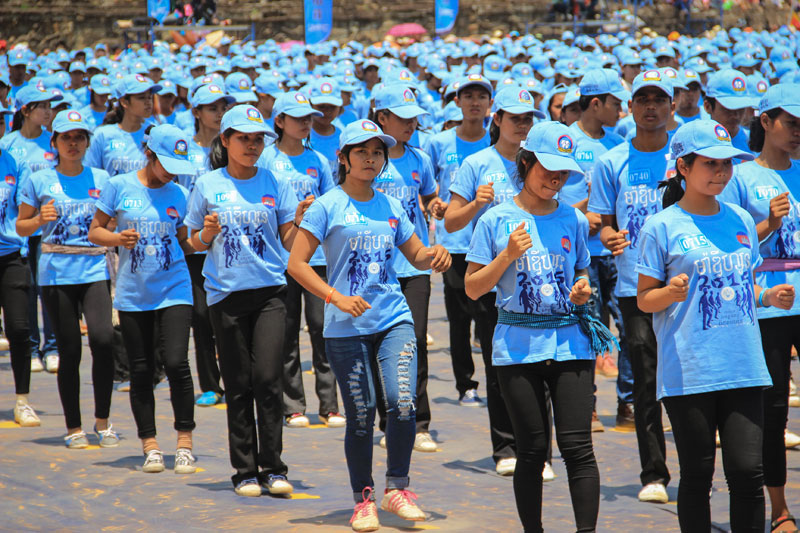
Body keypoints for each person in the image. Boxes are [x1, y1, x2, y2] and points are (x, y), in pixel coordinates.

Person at [288, 119, 451, 532]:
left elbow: (415, 256)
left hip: (393, 319)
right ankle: (364, 497)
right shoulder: (327, 205)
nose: (370, 158)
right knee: (361, 415)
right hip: (345, 327)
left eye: (377, 151)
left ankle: (398, 486)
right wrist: (334, 297)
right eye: (360, 151)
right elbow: (296, 263)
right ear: (342, 158)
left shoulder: (392, 206)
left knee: (401, 402)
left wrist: (437, 254)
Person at [637, 119, 790, 532]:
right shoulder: (661, 226)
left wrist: (767, 296)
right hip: (690, 370)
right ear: (683, 167)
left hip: (743, 366)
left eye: (727, 164)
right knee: (698, 475)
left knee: (746, 473)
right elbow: (643, 298)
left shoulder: (740, 218)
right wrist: (669, 293)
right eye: (711, 163)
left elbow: (746, 282)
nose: (721, 172)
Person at [464, 120, 613, 533]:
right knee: (531, 450)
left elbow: (581, 274)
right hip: (516, 348)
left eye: (563, 172)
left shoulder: (574, 220)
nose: (555, 179)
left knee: (579, 448)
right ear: (525, 163)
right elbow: (473, 288)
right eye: (547, 168)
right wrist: (506, 256)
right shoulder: (495, 220)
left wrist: (583, 291)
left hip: (571, 346)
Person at [184, 105, 305, 497]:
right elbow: (192, 243)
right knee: (237, 384)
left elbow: (287, 240)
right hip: (225, 294)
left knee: (268, 379)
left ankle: (274, 467)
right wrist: (206, 233)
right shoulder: (207, 185)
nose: (252, 146)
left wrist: (301, 223)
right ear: (226, 140)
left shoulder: (274, 182)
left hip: (270, 291)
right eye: (243, 139)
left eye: (257, 139)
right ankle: (245, 471)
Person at [444, 84, 543, 476]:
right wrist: (476, 204)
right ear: (496, 119)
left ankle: (536, 446)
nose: (521, 125)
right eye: (514, 118)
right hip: (490, 274)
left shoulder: (540, 161)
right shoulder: (476, 163)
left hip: (536, 276)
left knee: (537, 360)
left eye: (528, 118)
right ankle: (505, 448)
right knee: (498, 361)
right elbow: (450, 221)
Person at [88, 124, 197, 475]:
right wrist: (118, 238)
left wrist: (205, 236)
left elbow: (186, 241)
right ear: (148, 154)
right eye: (166, 163)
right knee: (141, 369)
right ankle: (150, 445)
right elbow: (95, 231)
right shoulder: (119, 187)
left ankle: (184, 443)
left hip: (175, 287)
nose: (171, 173)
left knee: (178, 362)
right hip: (135, 293)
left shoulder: (179, 194)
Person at [588, 69, 675, 504]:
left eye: (659, 99)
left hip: (682, 289)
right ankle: (654, 473)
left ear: (672, 107)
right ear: (631, 107)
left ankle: (698, 467)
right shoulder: (611, 162)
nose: (651, 107)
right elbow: (604, 222)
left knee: (689, 379)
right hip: (634, 288)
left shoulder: (687, 159)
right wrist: (609, 237)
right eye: (643, 99)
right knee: (645, 380)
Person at [718, 83, 800, 532]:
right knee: (772, 410)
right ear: (766, 122)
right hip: (766, 301)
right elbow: (733, 244)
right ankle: (779, 507)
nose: (797, 132)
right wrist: (771, 221)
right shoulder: (742, 176)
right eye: (790, 123)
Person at [16, 110, 117, 448]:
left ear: (87, 142)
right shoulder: (40, 180)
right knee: (70, 350)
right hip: (57, 273)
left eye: (79, 137)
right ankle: (74, 427)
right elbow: (21, 226)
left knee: (103, 341)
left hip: (94, 269)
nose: (73, 143)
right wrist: (38, 220)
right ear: (54, 142)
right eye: (65, 137)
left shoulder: (102, 179)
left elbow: (110, 222)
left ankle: (102, 422)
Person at [259, 89, 344, 429]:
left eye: (309, 117)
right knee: (287, 328)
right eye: (298, 118)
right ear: (279, 121)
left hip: (316, 257)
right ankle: (293, 404)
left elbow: (331, 203)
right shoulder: (265, 159)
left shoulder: (318, 161)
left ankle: (330, 404)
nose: (307, 123)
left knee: (324, 327)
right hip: (279, 258)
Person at [370, 84, 447, 452]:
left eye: (414, 118)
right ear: (381, 118)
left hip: (415, 263)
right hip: (374, 266)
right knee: (378, 343)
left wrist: (435, 206)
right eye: (403, 118)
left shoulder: (419, 158)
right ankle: (388, 421)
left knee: (414, 341)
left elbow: (430, 195)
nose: (411, 124)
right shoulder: (368, 157)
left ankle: (418, 423)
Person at [561, 69, 631, 431]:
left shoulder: (620, 143)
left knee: (628, 326)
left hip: (616, 250)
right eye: (615, 102)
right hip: (579, 254)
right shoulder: (565, 141)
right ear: (594, 103)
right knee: (586, 327)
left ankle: (628, 403)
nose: (621, 109)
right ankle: (586, 406)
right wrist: (582, 213)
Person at [427, 74, 491, 411]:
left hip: (492, 246)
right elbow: (430, 190)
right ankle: (466, 384)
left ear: (490, 104)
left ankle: (497, 378)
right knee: (459, 319)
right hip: (454, 243)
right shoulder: (439, 144)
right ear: (458, 102)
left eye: (481, 96)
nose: (475, 102)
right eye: (468, 96)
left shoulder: (497, 144)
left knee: (489, 317)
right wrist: (435, 205)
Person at [178, 83, 234, 408]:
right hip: (194, 242)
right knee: (201, 315)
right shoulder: (184, 149)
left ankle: (235, 374)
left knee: (226, 313)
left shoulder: (233, 144)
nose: (218, 113)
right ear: (196, 112)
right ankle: (211, 384)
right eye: (211, 107)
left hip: (229, 242)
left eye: (222, 106)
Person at [1, 84, 63, 373]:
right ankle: (30, 344)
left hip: (50, 227)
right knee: (24, 289)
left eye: (50, 105)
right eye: (41, 106)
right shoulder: (8, 145)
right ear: (25, 110)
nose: (48, 111)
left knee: (48, 285)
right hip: (19, 229)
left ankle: (51, 346)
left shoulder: (55, 142)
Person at [0, 123, 38, 427]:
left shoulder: (15, 163)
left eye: (1, 120)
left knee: (19, 328)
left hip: (12, 256)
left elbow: (23, 209)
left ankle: (22, 401)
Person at [85, 74, 161, 176]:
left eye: (149, 97)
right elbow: (92, 175)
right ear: (124, 102)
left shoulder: (154, 133)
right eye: (142, 97)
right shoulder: (102, 135)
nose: (148, 102)